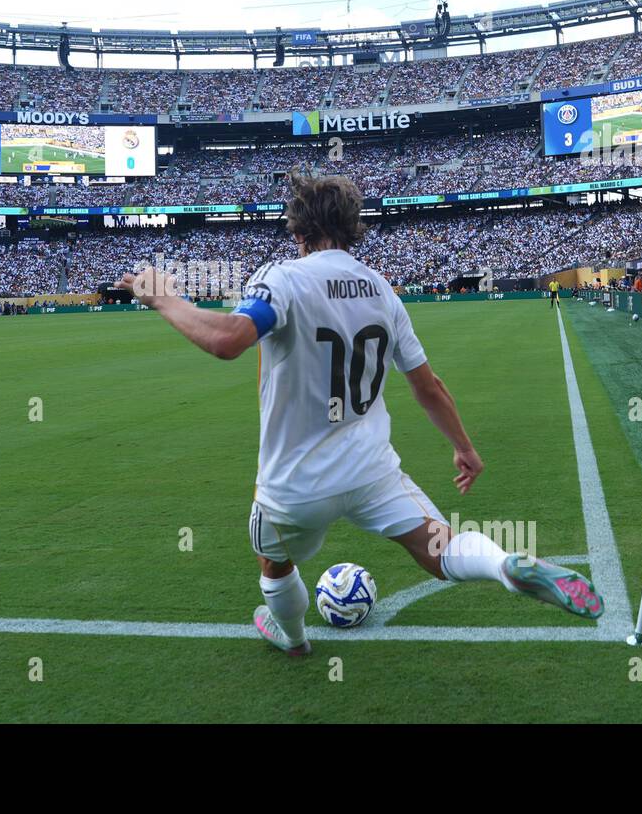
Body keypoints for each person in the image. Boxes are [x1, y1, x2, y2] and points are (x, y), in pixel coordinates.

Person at [120, 173, 603, 657]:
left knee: (274, 561)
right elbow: (428, 387)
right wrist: (464, 447)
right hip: (370, 470)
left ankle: (292, 637)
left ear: (298, 231)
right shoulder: (381, 291)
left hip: (296, 483)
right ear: (353, 227)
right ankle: (503, 566)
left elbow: (229, 340)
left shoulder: (283, 277)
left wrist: (163, 296)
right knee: (439, 547)